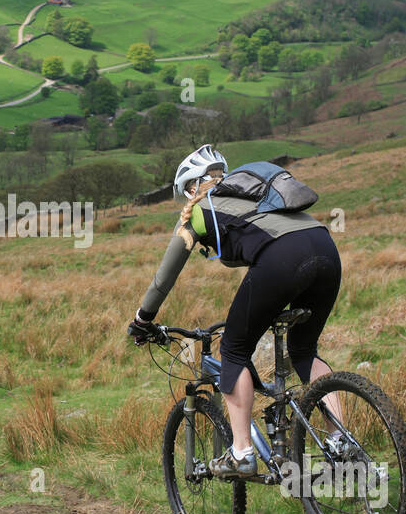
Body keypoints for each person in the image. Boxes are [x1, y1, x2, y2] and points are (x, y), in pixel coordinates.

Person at [128, 145, 343, 479]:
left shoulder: (201, 211)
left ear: (191, 188)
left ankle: (241, 452)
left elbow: (163, 279)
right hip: (325, 247)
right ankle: (340, 440)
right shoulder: (254, 196)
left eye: (186, 192)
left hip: (282, 258)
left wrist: (143, 320)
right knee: (303, 350)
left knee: (233, 348)